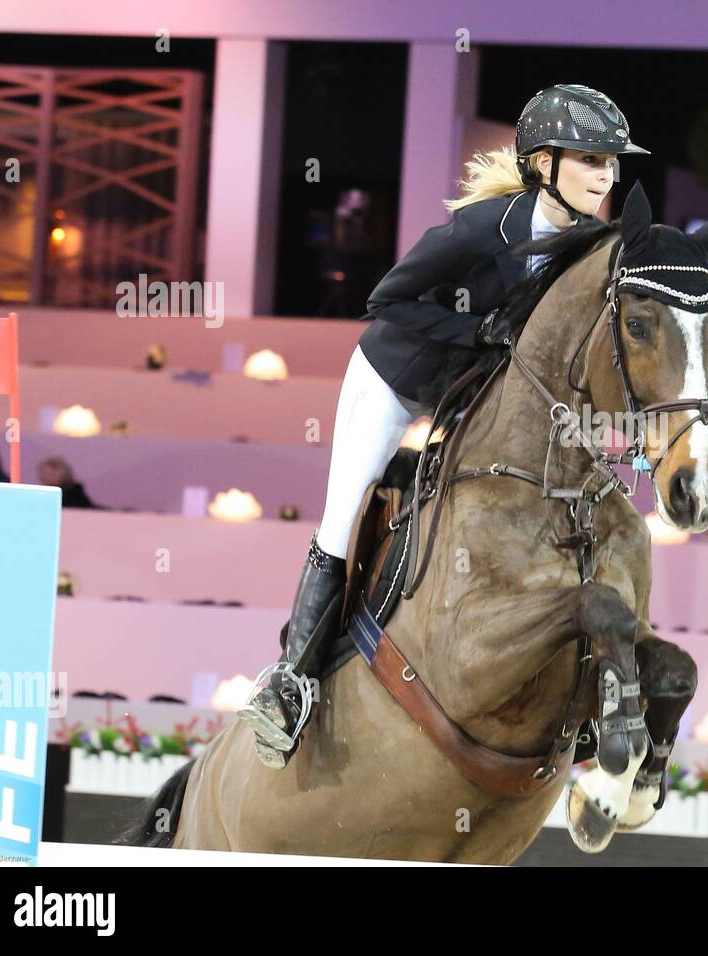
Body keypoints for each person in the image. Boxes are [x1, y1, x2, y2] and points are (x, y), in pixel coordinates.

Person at [237, 84, 650, 769]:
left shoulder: (591, 246)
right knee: (343, 517)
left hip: (475, 389)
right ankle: (289, 684)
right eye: (591, 159)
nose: (607, 175)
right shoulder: (481, 230)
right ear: (543, 164)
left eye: (612, 163)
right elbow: (386, 300)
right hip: (398, 377)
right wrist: (477, 328)